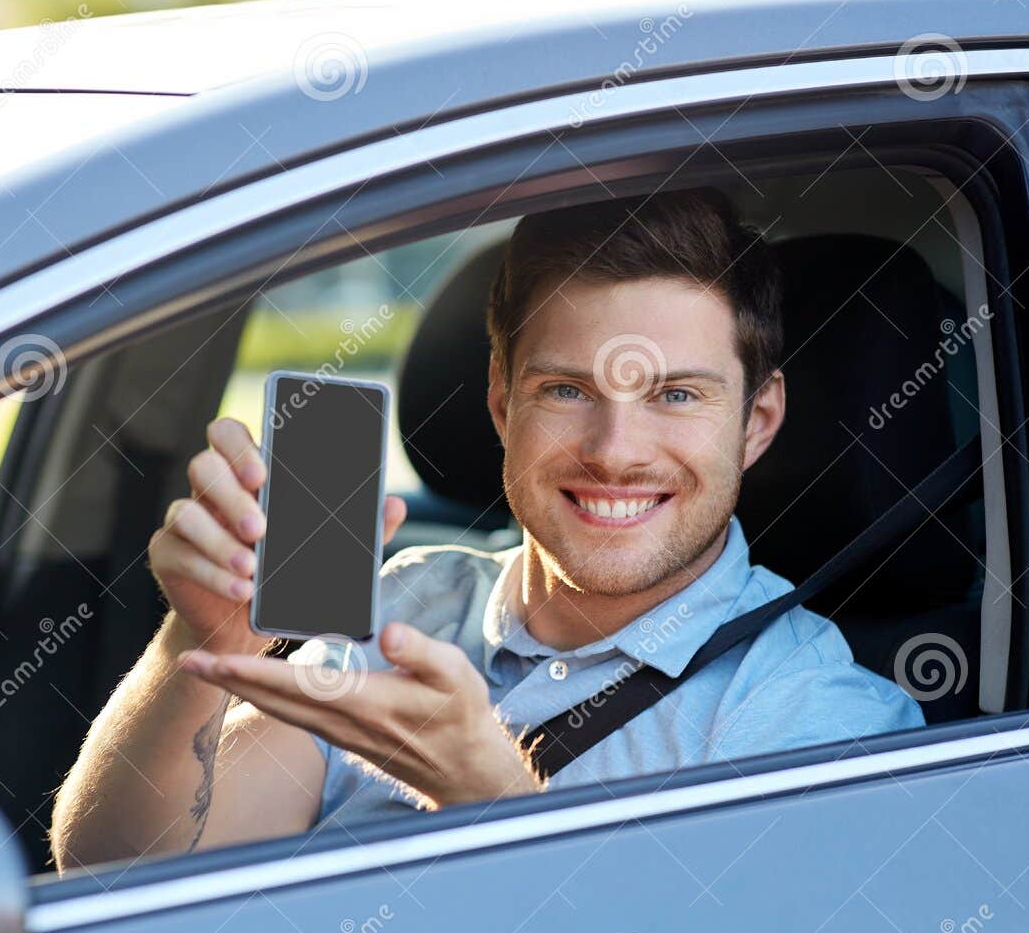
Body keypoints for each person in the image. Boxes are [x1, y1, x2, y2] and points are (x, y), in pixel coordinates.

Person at [51, 187, 923, 872]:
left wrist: (492, 800)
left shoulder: (817, 718)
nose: (615, 452)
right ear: (503, 401)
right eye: (567, 389)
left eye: (676, 394)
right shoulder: (397, 604)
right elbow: (117, 872)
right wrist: (197, 643)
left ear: (757, 421)